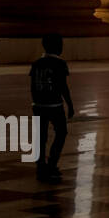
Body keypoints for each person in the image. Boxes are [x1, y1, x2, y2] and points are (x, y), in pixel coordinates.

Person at [29, 33, 74, 183]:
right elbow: (63, 86)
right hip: (54, 105)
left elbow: (32, 85)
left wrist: (35, 101)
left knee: (40, 137)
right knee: (61, 132)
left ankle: (40, 164)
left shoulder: (37, 63)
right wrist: (70, 104)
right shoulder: (60, 64)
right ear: (56, 46)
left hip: (38, 105)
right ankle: (52, 163)